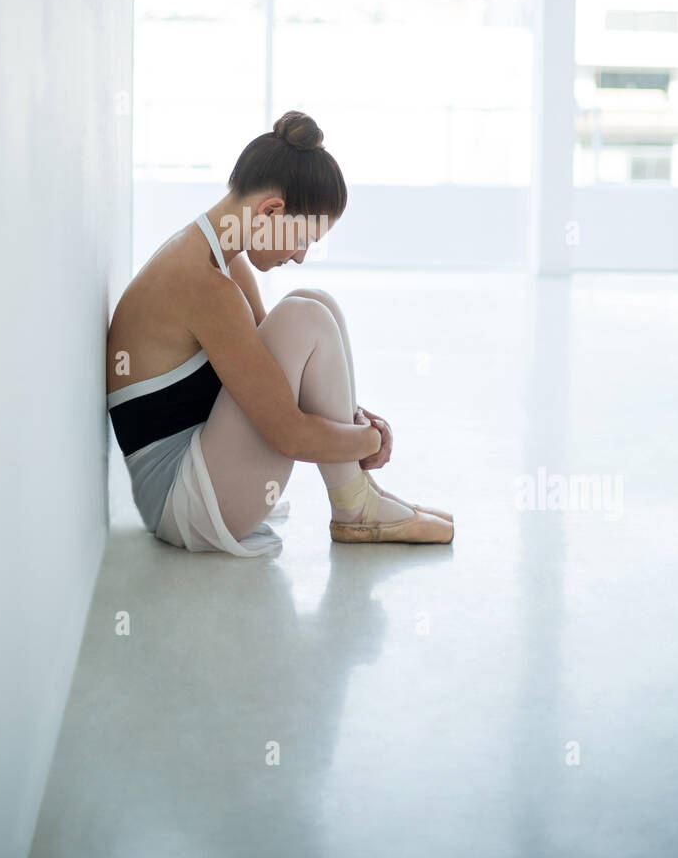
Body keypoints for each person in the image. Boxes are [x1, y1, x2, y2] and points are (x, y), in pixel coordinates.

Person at [106, 110, 454, 555]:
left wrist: (355, 421)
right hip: (184, 504)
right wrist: (368, 439)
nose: (301, 255)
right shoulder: (203, 283)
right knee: (303, 318)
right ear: (272, 210)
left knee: (313, 302)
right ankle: (357, 507)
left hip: (198, 473)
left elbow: (274, 384)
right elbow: (287, 432)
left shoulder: (219, 260)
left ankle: (359, 502)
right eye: (303, 238)